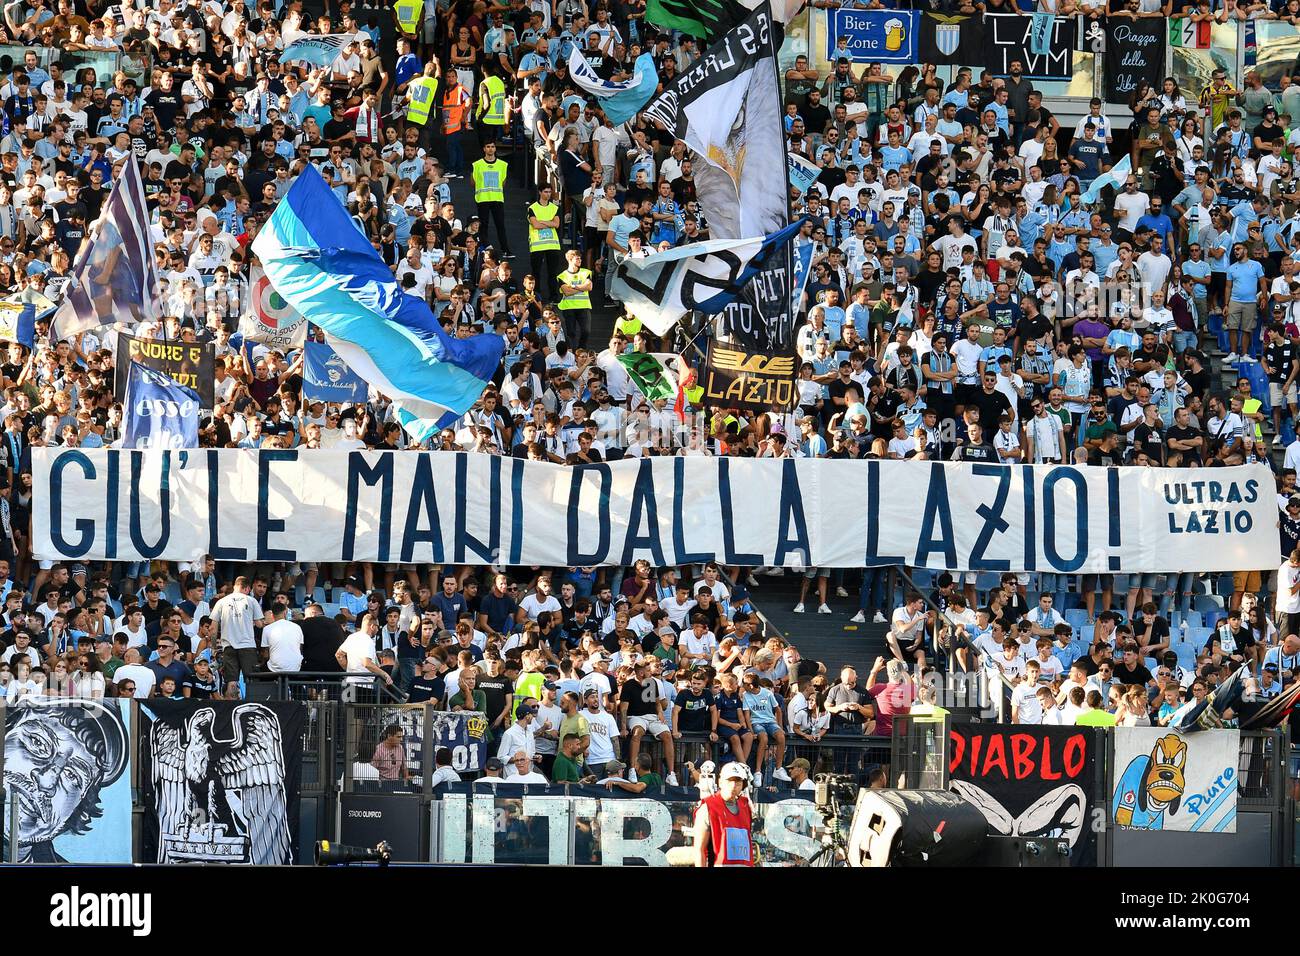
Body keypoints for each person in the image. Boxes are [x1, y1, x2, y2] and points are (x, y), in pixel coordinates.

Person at [693, 761, 755, 867]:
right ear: (720, 782)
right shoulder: (707, 807)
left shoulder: (746, 807)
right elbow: (699, 850)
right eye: (729, 781)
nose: (734, 785)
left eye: (738, 782)